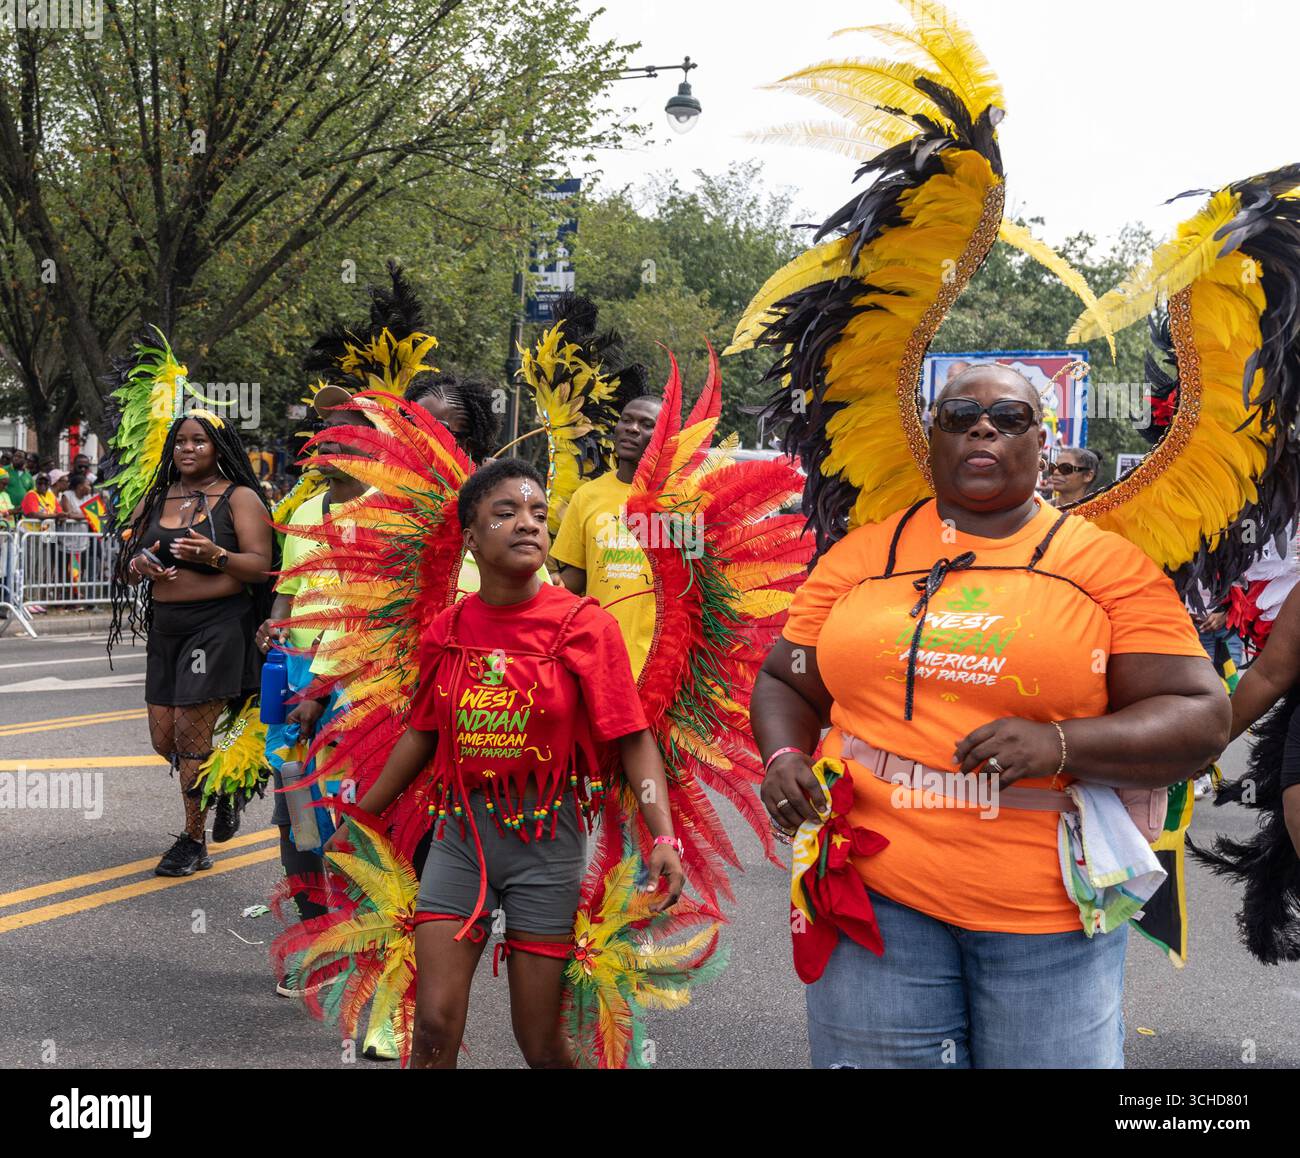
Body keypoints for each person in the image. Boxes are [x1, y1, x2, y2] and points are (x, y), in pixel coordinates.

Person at [752, 364, 1229, 1069]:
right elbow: (785, 679)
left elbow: (1200, 716)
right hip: (874, 899)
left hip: (1047, 920)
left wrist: (1059, 744)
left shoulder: (1106, 567)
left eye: (1008, 417)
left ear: (1044, 441)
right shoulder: (860, 558)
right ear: (931, 440)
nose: (982, 427)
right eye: (959, 416)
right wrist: (782, 757)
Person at [328, 457, 686, 1069]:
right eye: (507, 513)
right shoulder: (448, 629)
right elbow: (421, 734)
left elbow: (632, 738)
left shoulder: (584, 625)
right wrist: (361, 817)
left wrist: (663, 835)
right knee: (434, 1024)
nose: (529, 524)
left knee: (540, 1042)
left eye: (539, 514)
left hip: (547, 842)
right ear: (470, 536)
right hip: (462, 834)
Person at [111, 412, 273, 876]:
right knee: (165, 739)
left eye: (199, 441)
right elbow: (126, 561)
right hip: (167, 626)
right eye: (180, 441)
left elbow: (262, 567)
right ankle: (220, 788)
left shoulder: (239, 498)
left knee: (192, 734)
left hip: (217, 626)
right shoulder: (158, 496)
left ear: (218, 448)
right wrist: (140, 566)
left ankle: (193, 840)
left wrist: (216, 555)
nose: (188, 449)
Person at [551, 391, 663, 678]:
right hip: (600, 654)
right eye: (626, 420)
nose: (632, 428)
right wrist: (541, 587)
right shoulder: (587, 496)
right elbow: (576, 577)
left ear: (665, 435)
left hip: (660, 660)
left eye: (646, 424)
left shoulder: (684, 500)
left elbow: (694, 586)